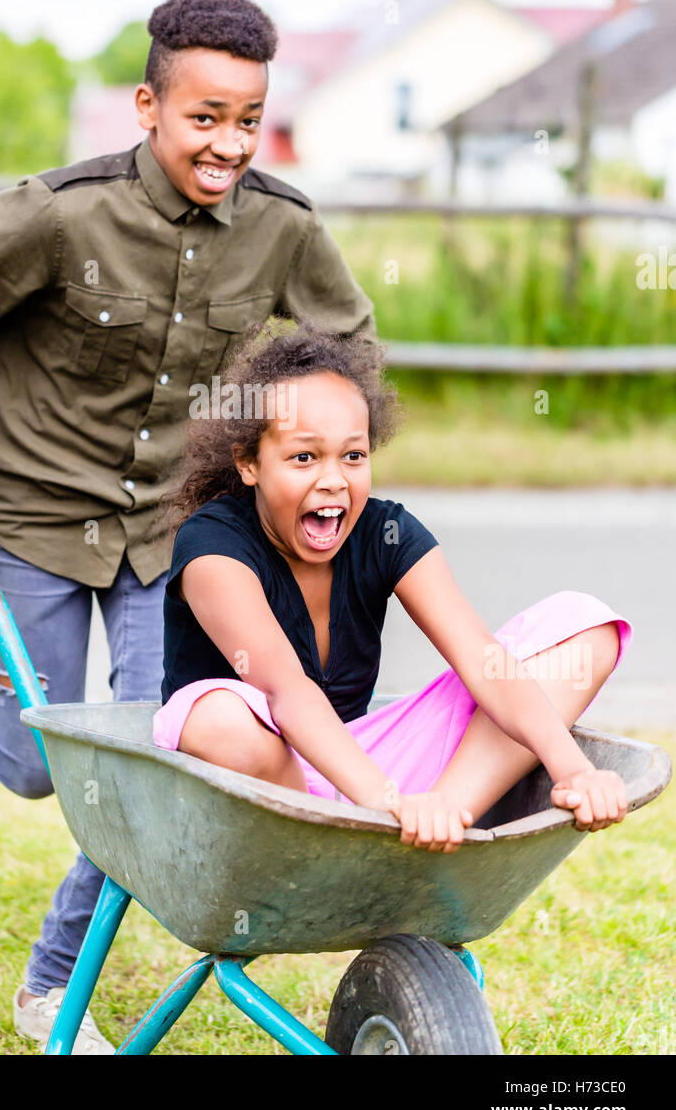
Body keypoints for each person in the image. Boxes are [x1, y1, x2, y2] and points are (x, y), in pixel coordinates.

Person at [0, 0, 380, 1053]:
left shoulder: (283, 229)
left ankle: (53, 982)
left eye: (247, 119)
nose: (227, 142)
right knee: (33, 761)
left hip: (176, 541)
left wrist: (302, 482)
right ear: (147, 105)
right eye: (204, 117)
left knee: (152, 759)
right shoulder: (56, 213)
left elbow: (346, 353)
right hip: (34, 521)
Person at [152, 319, 633, 849]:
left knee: (584, 626)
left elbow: (483, 663)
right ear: (249, 463)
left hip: (364, 767)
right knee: (219, 716)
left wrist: (572, 769)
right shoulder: (213, 545)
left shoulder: (386, 532)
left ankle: (438, 829)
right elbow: (286, 693)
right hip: (256, 778)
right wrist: (390, 803)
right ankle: (342, 845)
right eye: (304, 457)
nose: (334, 479)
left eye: (353, 456)